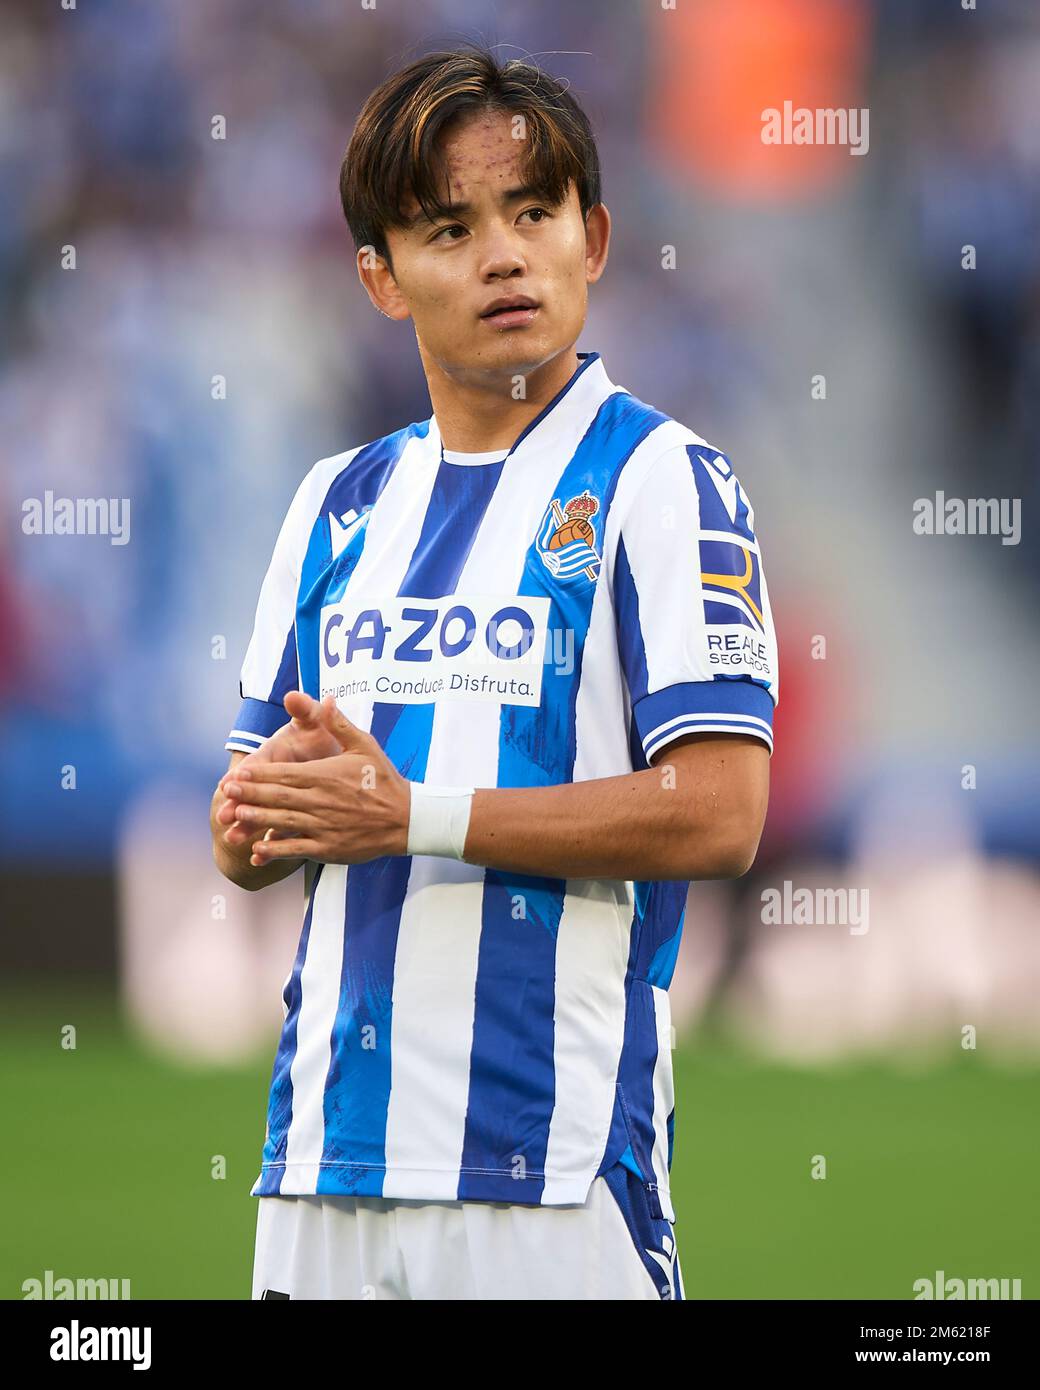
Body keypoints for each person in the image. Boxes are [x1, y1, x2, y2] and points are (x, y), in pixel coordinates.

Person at [210, 45, 778, 1301]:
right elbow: (243, 839)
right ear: (380, 278)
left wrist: (407, 815)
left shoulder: (662, 482)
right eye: (448, 228)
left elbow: (723, 811)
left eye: (533, 213)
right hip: (319, 1167)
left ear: (596, 235)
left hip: (549, 1171)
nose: (504, 256)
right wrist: (258, 814)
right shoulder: (333, 504)